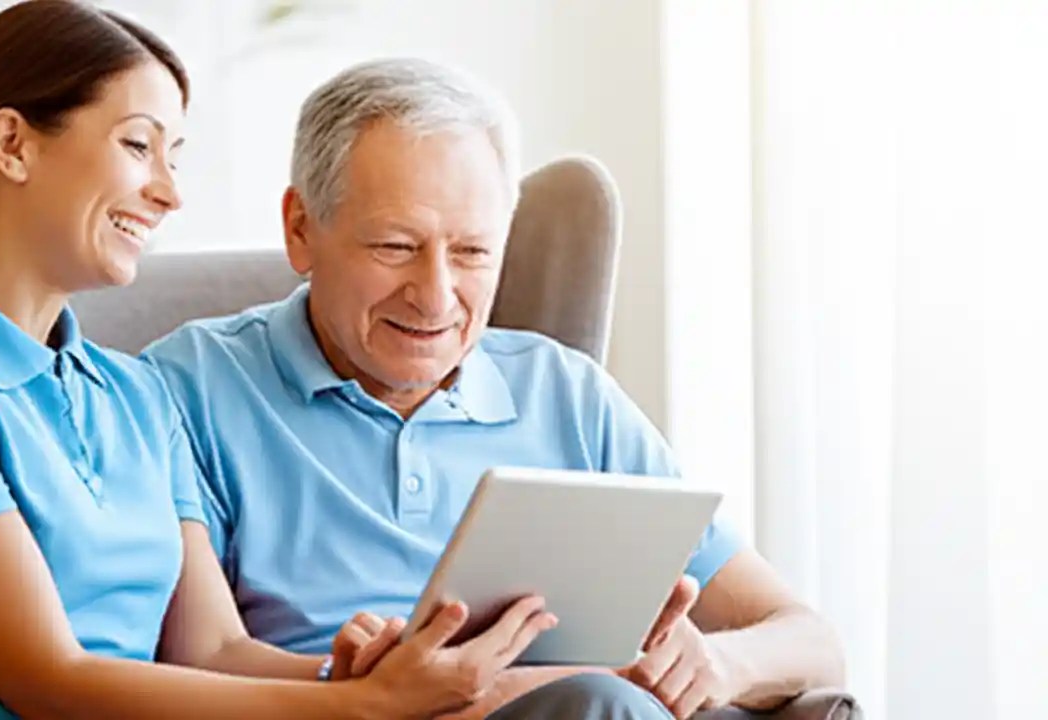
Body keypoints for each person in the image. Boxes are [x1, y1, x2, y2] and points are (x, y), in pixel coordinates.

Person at [0, 5, 558, 718]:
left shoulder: (134, 394)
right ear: (11, 144)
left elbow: (212, 653)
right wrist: (367, 707)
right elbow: (49, 681)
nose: (167, 191)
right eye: (138, 145)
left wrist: (358, 676)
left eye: (174, 155)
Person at [143, 58, 847, 720]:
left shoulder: (565, 395)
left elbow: (810, 640)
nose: (436, 297)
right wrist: (357, 686)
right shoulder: (188, 387)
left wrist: (718, 663)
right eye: (395, 247)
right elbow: (192, 659)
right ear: (302, 229)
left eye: (473, 252)